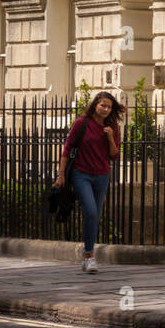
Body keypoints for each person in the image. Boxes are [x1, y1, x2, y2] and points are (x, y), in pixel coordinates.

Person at [54, 91, 124, 273]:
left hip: (102, 175)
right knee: (91, 211)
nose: (105, 109)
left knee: (94, 215)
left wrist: (110, 137)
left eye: (109, 107)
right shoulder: (81, 123)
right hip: (81, 174)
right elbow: (67, 148)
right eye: (103, 105)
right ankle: (89, 256)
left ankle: (88, 255)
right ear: (95, 105)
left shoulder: (112, 127)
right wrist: (61, 174)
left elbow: (114, 155)